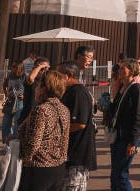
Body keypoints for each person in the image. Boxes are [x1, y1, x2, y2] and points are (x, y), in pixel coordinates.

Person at [18, 70, 70, 191]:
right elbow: (65, 140)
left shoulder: (41, 110)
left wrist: (23, 155)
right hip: (58, 168)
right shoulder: (64, 109)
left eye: (39, 85)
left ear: (44, 88)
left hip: (39, 168)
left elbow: (33, 143)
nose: (36, 88)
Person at [58, 61, 97, 191]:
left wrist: (58, 132)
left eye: (59, 74)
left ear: (68, 75)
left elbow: (80, 123)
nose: (57, 79)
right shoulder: (69, 91)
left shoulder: (78, 92)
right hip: (69, 152)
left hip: (78, 152)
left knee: (73, 186)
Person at [107, 58, 140, 191]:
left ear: (132, 71)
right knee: (114, 173)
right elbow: (115, 111)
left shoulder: (136, 89)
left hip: (127, 138)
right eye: (120, 68)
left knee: (121, 174)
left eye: (124, 68)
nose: (120, 70)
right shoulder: (121, 87)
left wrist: (133, 142)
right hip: (117, 136)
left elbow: (138, 116)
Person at [18, 57, 49, 126]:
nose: (43, 71)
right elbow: (31, 78)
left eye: (46, 69)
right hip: (27, 118)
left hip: (41, 119)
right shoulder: (33, 81)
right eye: (41, 69)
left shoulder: (48, 83)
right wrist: (40, 66)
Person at [0, 61, 26, 144]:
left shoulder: (24, 77)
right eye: (12, 66)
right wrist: (6, 94)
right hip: (10, 100)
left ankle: (15, 142)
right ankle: (5, 141)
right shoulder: (10, 76)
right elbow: (4, 85)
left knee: (17, 123)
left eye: (15, 67)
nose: (12, 68)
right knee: (6, 123)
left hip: (20, 101)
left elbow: (29, 89)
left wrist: (24, 96)